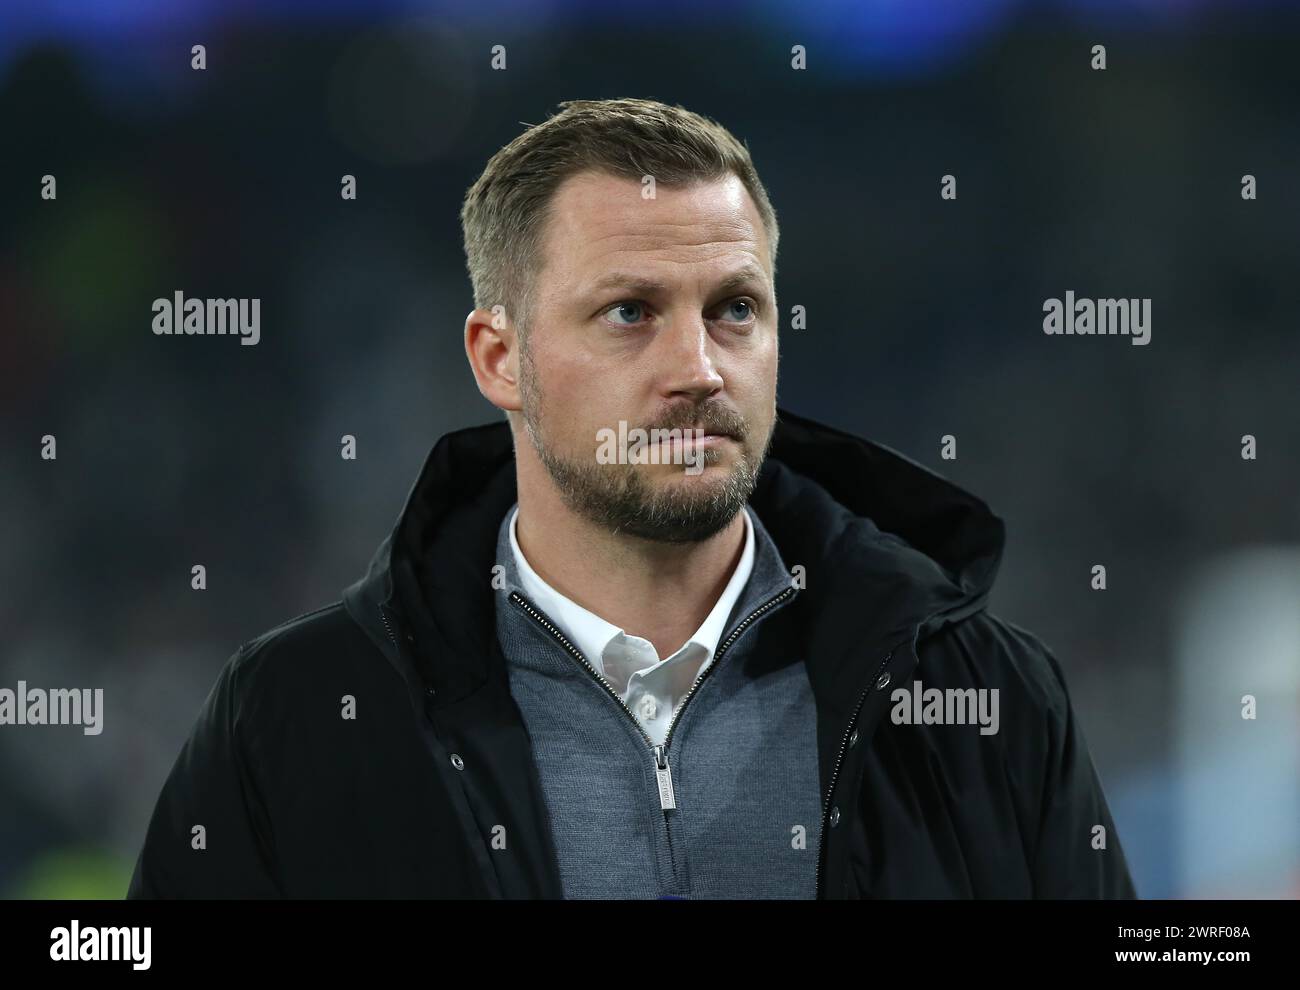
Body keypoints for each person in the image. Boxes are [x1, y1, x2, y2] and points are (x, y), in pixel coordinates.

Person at [127, 97, 1136, 899]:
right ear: (500, 357)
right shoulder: (299, 716)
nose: (697, 366)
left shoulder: (982, 701)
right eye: (628, 312)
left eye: (734, 308)